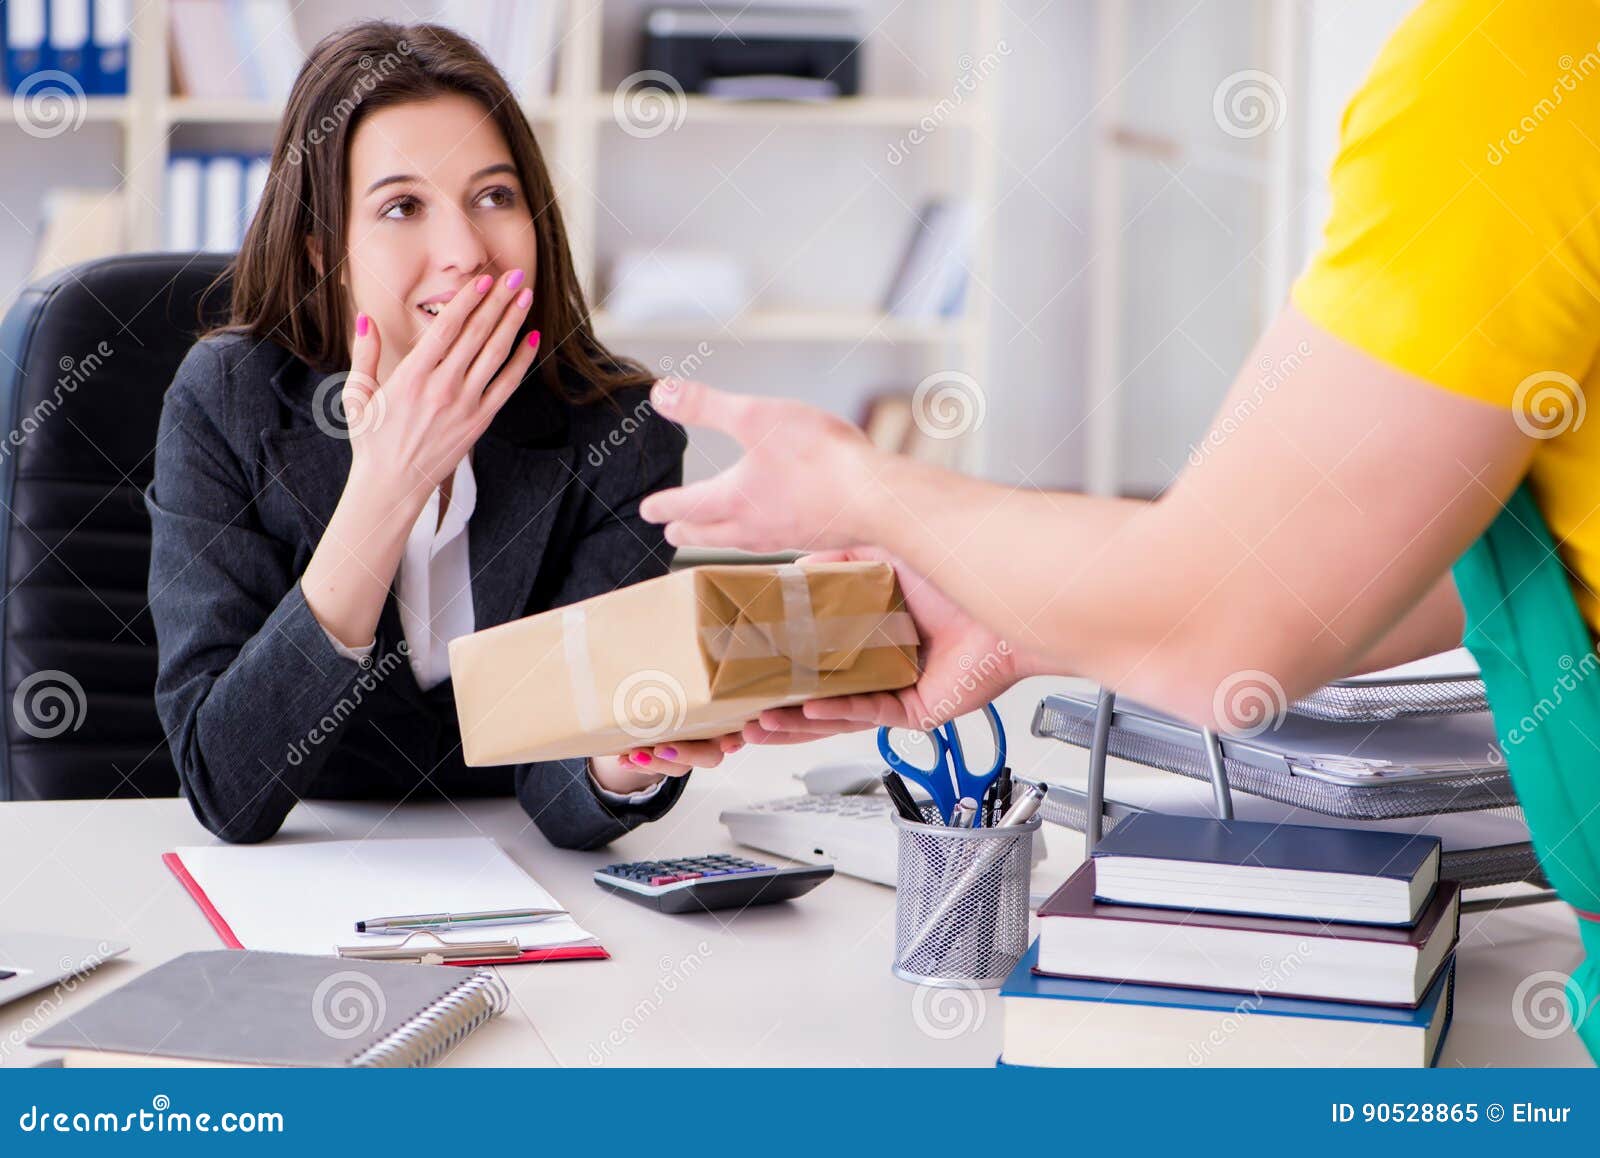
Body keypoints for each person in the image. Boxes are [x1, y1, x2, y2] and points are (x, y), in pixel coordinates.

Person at [638, 0, 1600, 749]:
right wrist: (1023, 623)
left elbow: (1231, 621)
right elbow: (1412, 554)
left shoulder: (1515, 61)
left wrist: (857, 487)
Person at [144, 21, 734, 847]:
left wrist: (623, 758)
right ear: (324, 254)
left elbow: (561, 783)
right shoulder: (227, 404)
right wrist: (385, 492)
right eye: (402, 207)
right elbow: (227, 790)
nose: (464, 252)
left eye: (494, 196)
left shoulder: (618, 428)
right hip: (304, 872)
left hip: (529, 877)